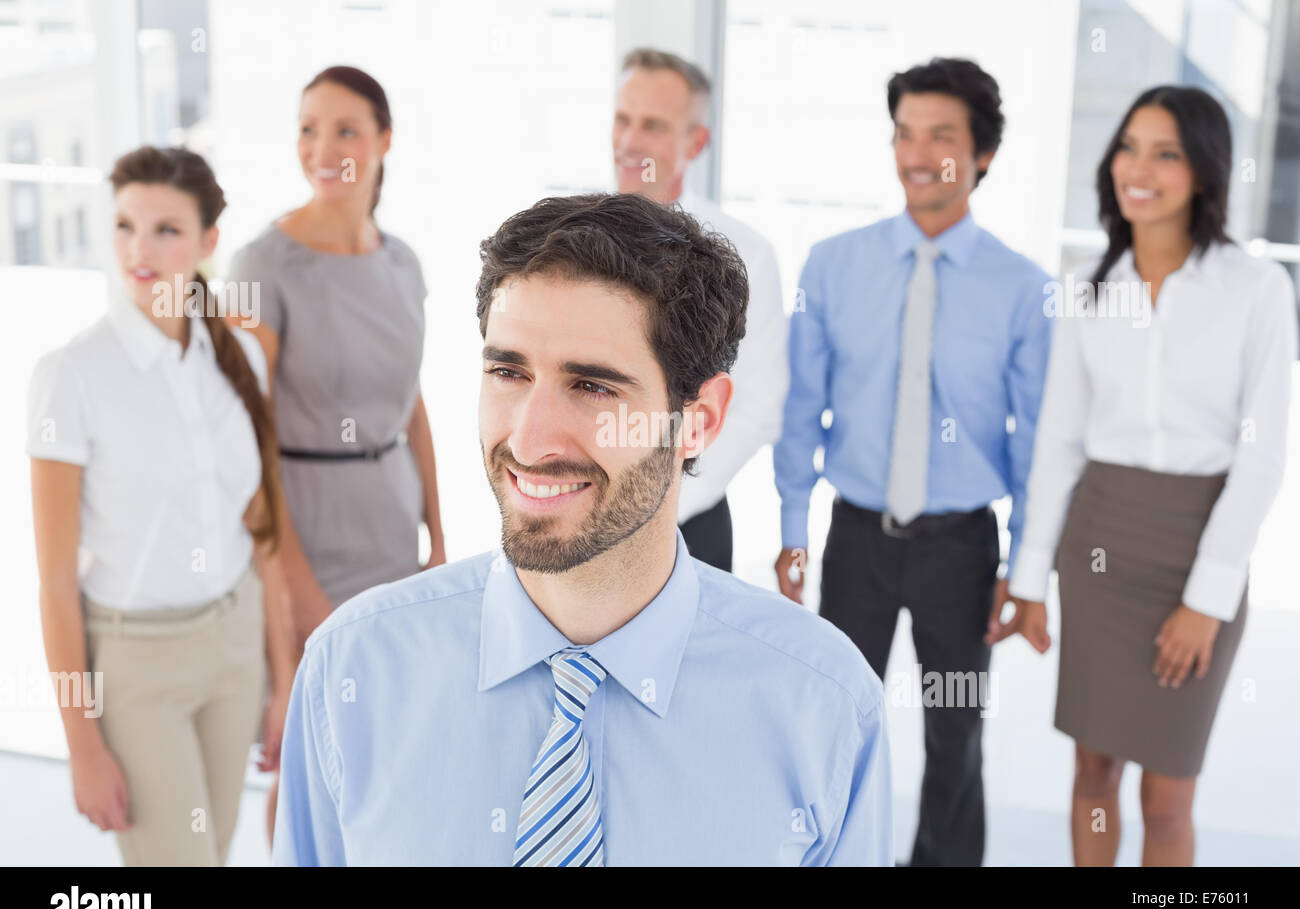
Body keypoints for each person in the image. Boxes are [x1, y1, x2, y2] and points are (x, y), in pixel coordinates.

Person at [272, 192, 891, 865]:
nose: (532, 441)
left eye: (593, 387)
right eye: (509, 372)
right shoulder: (351, 672)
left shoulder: (825, 707)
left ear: (700, 420)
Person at [994, 86, 1296, 866]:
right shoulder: (1088, 286)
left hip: (1197, 545)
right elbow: (1059, 441)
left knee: (1168, 794)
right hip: (1099, 545)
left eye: (1166, 152)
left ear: (1204, 170)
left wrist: (1206, 601)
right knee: (1092, 768)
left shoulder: (1258, 288)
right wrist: (1027, 577)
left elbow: (1262, 454)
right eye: (1130, 146)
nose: (1140, 168)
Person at [773, 57, 1054, 866]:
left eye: (941, 136)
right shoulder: (833, 264)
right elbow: (802, 411)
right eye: (904, 133)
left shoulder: (1022, 288)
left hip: (961, 547)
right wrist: (794, 529)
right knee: (830, 723)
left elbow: (1035, 441)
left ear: (984, 154)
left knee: (954, 735)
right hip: (855, 538)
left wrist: (1027, 570)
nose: (916, 153)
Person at [27, 145, 296, 865]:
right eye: (124, 225)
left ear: (210, 242)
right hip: (137, 665)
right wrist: (83, 744)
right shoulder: (72, 376)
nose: (139, 250)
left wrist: (282, 678)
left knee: (219, 852)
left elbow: (262, 528)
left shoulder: (243, 353)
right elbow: (54, 581)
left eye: (166, 230)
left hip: (237, 649)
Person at [225, 65, 447, 842]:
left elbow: (411, 405)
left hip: (390, 527)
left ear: (385, 141)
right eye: (308, 128)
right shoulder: (262, 267)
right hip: (303, 531)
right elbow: (245, 447)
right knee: (304, 760)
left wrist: (440, 540)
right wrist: (297, 595)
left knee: (388, 747)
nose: (323, 148)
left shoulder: (405, 263)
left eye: (345, 129)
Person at [613, 47, 788, 572]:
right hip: (582, 508)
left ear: (696, 141)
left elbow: (758, 403)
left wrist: (661, 501)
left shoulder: (745, 253)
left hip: (690, 521)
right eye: (622, 120)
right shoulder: (565, 241)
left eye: (652, 125)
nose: (628, 141)